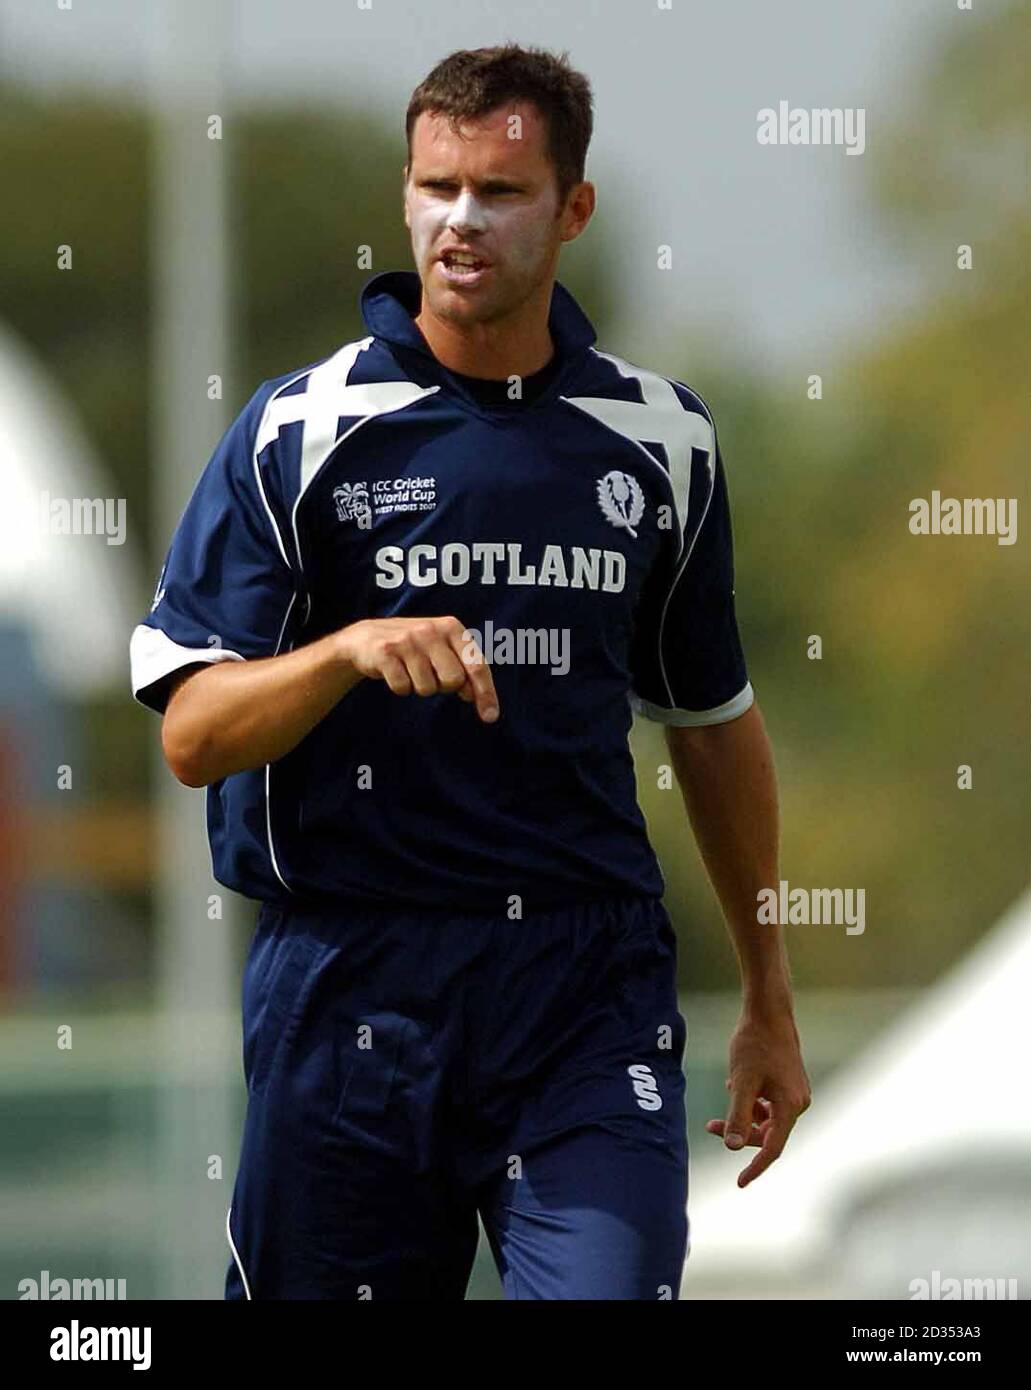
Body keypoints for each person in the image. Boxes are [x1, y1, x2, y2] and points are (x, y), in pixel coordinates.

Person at [130, 42, 810, 1301]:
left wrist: (767, 992)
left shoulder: (662, 440)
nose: (460, 219)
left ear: (571, 210)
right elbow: (193, 735)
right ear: (403, 194)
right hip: (351, 989)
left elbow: (712, 725)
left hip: (583, 986)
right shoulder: (297, 429)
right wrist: (340, 652)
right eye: (435, 186)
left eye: (498, 193)